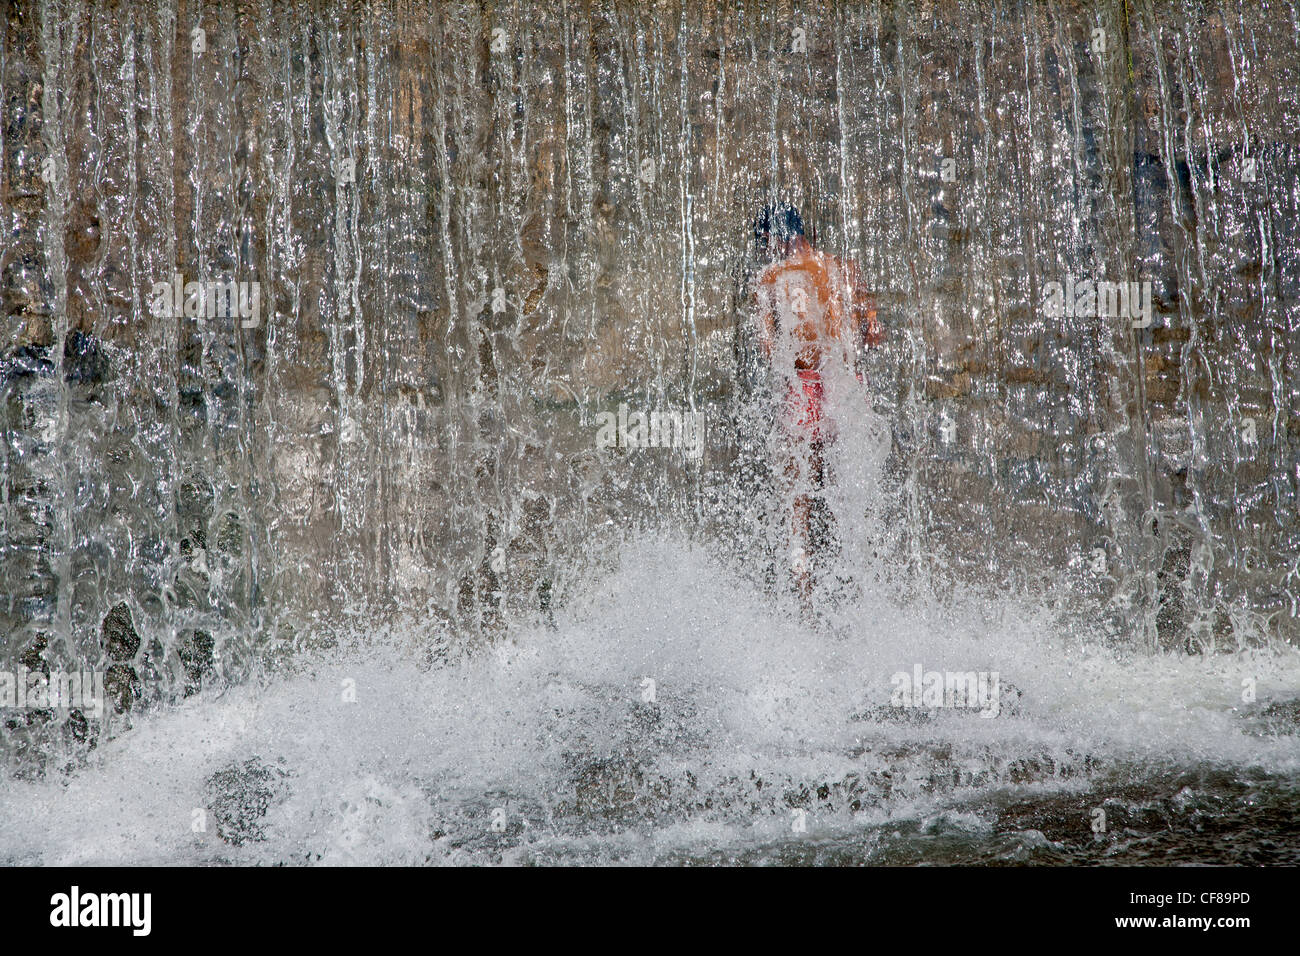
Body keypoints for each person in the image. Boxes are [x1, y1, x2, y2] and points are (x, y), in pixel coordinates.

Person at [750, 203, 883, 608]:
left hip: (805, 384)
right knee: (853, 487)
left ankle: (804, 600)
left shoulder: (772, 278)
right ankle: (865, 589)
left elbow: (769, 348)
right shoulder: (845, 267)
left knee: (799, 501)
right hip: (844, 382)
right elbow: (874, 334)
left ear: (773, 240)